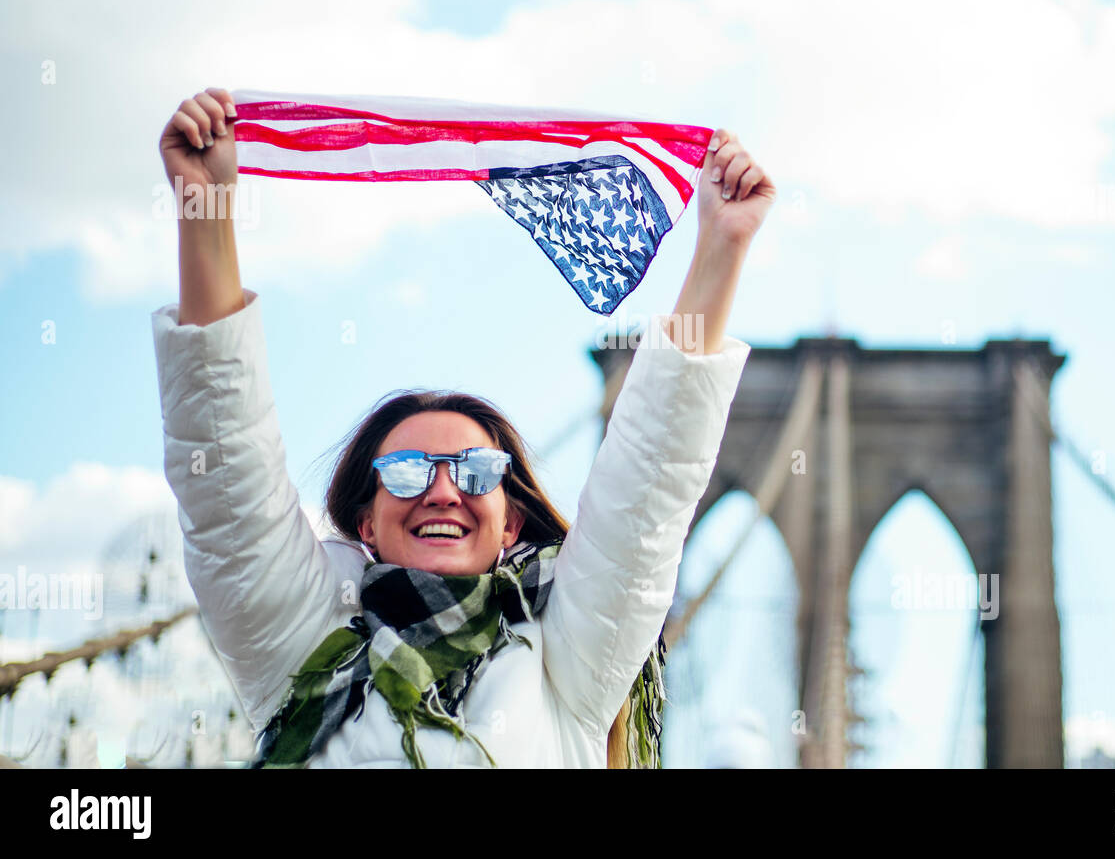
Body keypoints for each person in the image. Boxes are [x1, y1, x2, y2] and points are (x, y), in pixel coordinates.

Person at [153, 86, 776, 768]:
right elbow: (228, 484)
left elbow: (649, 484)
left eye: (477, 472)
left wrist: (722, 245)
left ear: (511, 524)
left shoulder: (566, 666)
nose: (443, 491)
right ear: (365, 522)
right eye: (407, 471)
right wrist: (204, 207)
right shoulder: (302, 648)